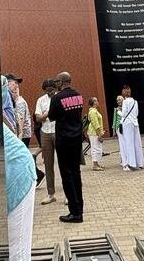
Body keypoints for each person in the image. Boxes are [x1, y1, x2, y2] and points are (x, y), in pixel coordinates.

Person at [0, 76, 37, 261]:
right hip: (15, 161)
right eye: (12, 84)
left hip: (19, 171)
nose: (14, 87)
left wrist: (19, 134)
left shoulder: (17, 101)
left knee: (18, 254)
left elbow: (17, 124)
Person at [48, 72, 85, 223]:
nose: (55, 83)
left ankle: (74, 213)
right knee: (76, 173)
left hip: (63, 140)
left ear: (62, 82)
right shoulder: (78, 95)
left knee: (66, 175)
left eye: (57, 81)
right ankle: (80, 208)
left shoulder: (57, 98)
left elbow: (51, 116)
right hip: (76, 139)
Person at [34, 78, 59, 205]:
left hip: (58, 131)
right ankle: (51, 194)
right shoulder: (41, 100)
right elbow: (38, 118)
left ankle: (68, 194)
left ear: (55, 88)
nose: (50, 92)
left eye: (52, 90)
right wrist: (50, 113)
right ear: (44, 90)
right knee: (48, 165)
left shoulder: (59, 98)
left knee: (63, 164)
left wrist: (45, 115)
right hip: (45, 133)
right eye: (47, 90)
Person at [117, 85, 144, 171]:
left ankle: (131, 163)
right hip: (135, 123)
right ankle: (139, 162)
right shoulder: (135, 102)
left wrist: (118, 112)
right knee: (137, 143)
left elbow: (124, 114)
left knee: (129, 143)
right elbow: (136, 113)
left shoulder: (125, 102)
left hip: (127, 123)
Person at [85, 98, 105, 171]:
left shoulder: (94, 111)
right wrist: (99, 134)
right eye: (96, 100)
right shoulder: (93, 112)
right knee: (95, 148)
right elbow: (95, 124)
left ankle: (97, 164)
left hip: (95, 132)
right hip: (94, 133)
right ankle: (95, 165)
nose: (97, 101)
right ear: (93, 103)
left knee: (97, 147)